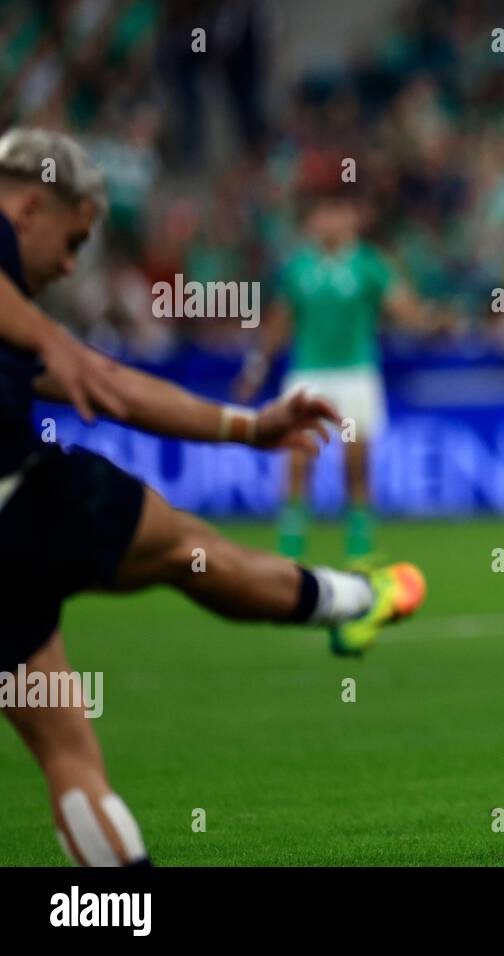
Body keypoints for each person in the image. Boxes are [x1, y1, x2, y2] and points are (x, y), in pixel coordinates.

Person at [0, 127, 426, 867]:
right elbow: (95, 373)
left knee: (65, 750)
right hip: (24, 497)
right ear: (32, 206)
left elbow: (118, 388)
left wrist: (247, 426)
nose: (69, 267)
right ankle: (352, 599)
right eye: (73, 242)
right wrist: (50, 339)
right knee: (194, 553)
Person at [235, 189, 439, 562]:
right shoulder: (298, 268)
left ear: (350, 219)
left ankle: (359, 539)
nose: (328, 222)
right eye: (322, 214)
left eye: (336, 213)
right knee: (297, 453)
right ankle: (292, 537)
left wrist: (430, 319)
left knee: (355, 458)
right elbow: (279, 322)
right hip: (308, 373)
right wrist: (256, 367)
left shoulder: (369, 264)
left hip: (356, 373)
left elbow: (403, 308)